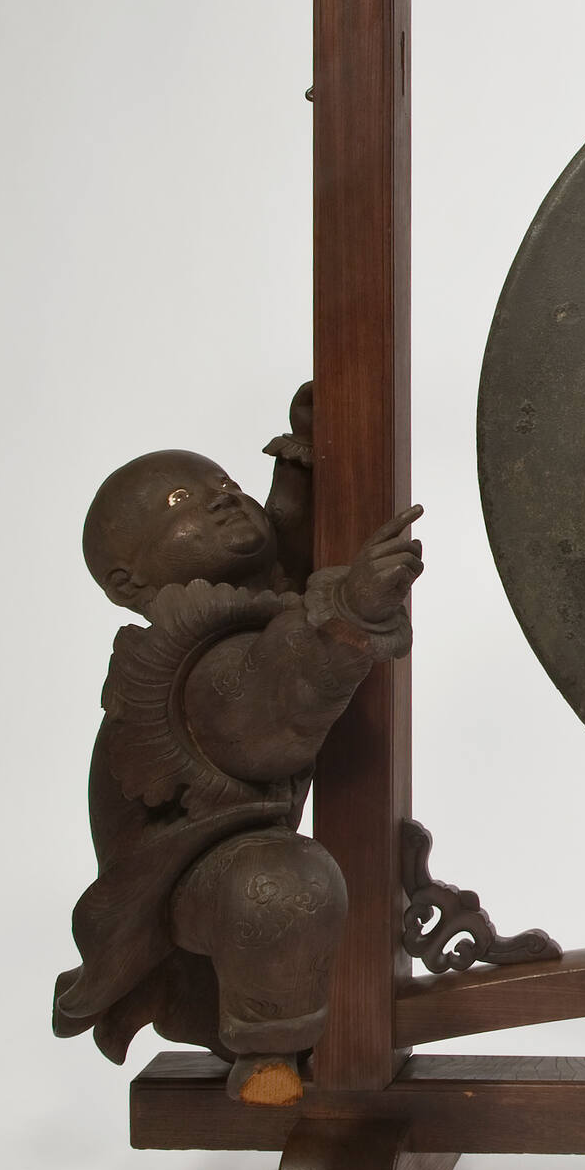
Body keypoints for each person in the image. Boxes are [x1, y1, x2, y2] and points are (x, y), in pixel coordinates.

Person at [54, 388, 422, 1106]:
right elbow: (270, 714)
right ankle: (269, 1057)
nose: (222, 498)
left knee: (283, 876)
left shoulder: (251, 597)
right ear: (129, 582)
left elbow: (290, 539)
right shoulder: (187, 659)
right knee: (283, 881)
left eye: (223, 483)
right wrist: (349, 614)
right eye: (182, 502)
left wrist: (315, 454)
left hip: (238, 843)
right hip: (188, 878)